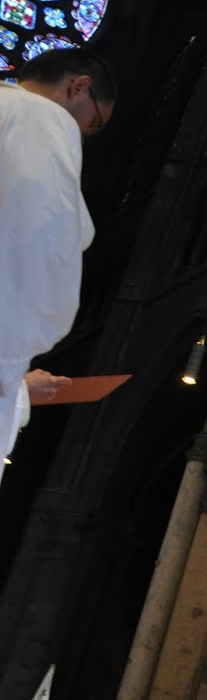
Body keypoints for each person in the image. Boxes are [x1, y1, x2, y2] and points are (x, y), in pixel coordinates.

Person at [0, 47, 115, 482]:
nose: (84, 134)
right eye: (94, 122)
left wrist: (20, 395)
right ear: (78, 87)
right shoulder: (43, 120)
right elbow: (35, 240)